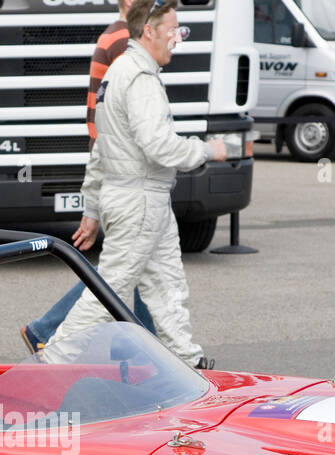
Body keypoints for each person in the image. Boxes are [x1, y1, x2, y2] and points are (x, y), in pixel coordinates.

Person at [46, 0, 224, 369]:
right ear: (149, 32)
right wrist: (208, 149)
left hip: (136, 198)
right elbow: (158, 146)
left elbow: (100, 150)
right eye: (174, 31)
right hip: (140, 199)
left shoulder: (116, 73)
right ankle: (51, 364)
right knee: (107, 294)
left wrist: (93, 208)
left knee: (166, 287)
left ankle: (189, 362)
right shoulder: (140, 79)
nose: (178, 39)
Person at [19, 0, 154, 353]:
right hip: (124, 167)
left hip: (117, 162)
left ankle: (152, 351)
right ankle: (47, 330)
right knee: (124, 268)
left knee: (132, 266)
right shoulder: (125, 40)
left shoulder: (117, 36)